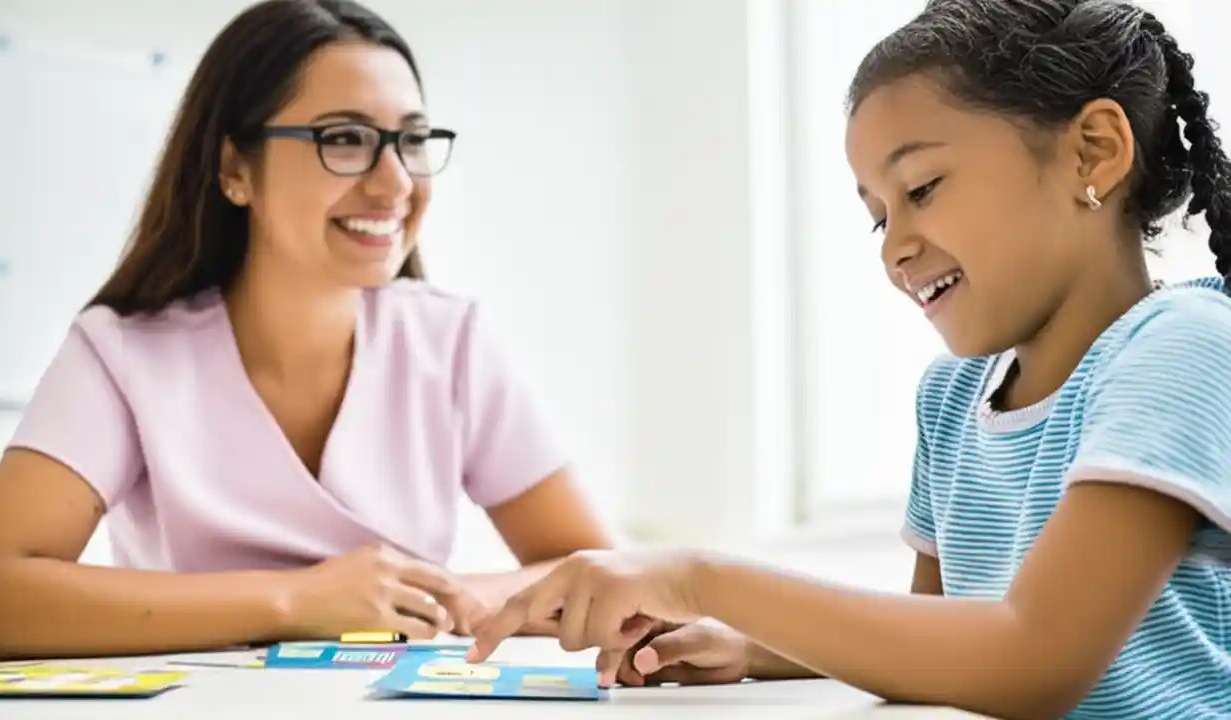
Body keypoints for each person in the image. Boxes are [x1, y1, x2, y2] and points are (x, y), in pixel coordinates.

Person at [467, 2, 1231, 718]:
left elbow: (1033, 658)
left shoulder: (1181, 346)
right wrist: (757, 648)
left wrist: (696, 577)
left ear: (1092, 151)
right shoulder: (952, 395)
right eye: (877, 218)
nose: (896, 247)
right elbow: (940, 630)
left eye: (923, 188)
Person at [0, 0, 611, 665]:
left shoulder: (451, 340)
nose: (396, 183)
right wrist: (297, 601)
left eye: (411, 140)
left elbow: (593, 571)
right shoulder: (122, 353)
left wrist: (414, 597)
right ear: (236, 169)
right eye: (345, 139)